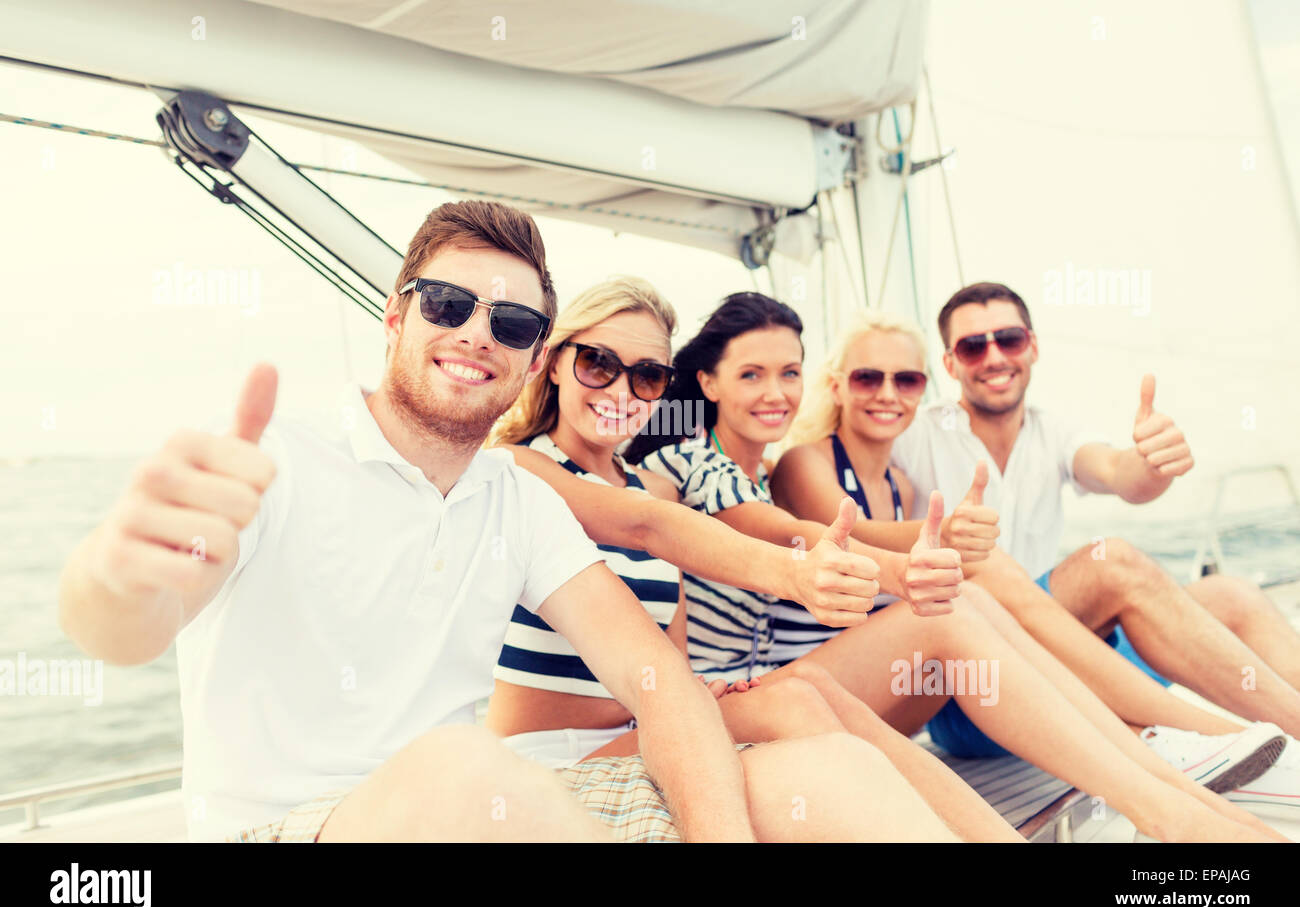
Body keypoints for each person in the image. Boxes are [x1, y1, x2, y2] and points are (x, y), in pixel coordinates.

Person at [55, 200, 940, 844]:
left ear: (529, 362)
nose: (479, 332)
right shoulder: (276, 458)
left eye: (512, 322)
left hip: (491, 809)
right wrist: (116, 571)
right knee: (460, 771)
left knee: (829, 776)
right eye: (448, 304)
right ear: (397, 315)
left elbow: (659, 681)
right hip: (297, 829)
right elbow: (125, 626)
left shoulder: (516, 499)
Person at [617, 291, 1281, 842]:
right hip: (757, 694)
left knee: (987, 588)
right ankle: (1172, 763)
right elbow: (791, 535)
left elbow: (1117, 474)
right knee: (970, 586)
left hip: (830, 686)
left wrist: (1145, 469)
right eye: (752, 374)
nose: (776, 391)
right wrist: (925, 552)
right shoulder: (697, 464)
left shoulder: (769, 470)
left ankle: (1163, 763)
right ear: (705, 381)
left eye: (788, 372)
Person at [488, 275, 1027, 841]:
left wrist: (701, 692)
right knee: (795, 702)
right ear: (551, 363)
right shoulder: (520, 470)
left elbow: (669, 654)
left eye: (647, 376)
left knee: (804, 693)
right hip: (547, 761)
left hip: (648, 737)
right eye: (598, 364)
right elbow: (645, 527)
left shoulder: (656, 487)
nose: (622, 391)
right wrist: (815, 573)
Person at [771, 313, 1294, 806]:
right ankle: (1187, 731)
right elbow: (854, 535)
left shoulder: (905, 477)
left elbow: (1119, 473)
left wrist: (1154, 465)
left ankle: (1268, 728)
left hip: (1037, 652)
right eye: (867, 378)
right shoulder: (822, 460)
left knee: (1230, 593)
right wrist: (945, 533)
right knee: (1067, 565)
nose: (888, 394)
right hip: (950, 687)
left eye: (906, 380)